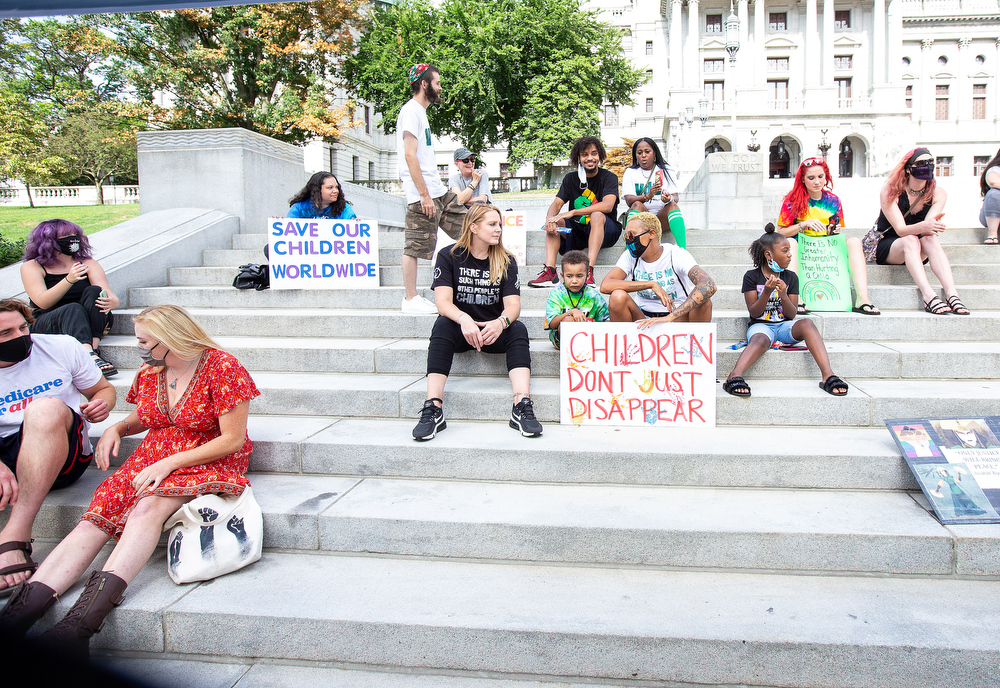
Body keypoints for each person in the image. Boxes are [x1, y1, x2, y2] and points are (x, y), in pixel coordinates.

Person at [0, 304, 259, 658]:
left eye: (145, 342)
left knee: (147, 508)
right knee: (97, 517)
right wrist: (117, 427)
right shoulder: (154, 368)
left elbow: (231, 438)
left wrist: (169, 463)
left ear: (172, 338)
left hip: (203, 454)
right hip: (154, 455)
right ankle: (15, 620)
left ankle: (78, 628)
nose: (140, 349)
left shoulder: (221, 366)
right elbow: (147, 414)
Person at [0, 298, 116, 594]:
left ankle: (16, 534)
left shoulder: (60, 347)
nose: (20, 337)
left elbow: (101, 389)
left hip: (59, 445)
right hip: (6, 451)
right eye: (5, 334)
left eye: (23, 327)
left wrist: (102, 405)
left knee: (46, 407)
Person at [412, 204, 541, 441]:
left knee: (518, 329)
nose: (498, 229)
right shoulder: (448, 255)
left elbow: (513, 306)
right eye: (492, 224)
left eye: (499, 224)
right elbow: (443, 302)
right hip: (462, 331)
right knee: (441, 324)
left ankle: (521, 405)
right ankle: (433, 408)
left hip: (492, 332)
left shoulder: (506, 260)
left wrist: (501, 323)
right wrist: (464, 319)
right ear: (473, 227)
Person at [722, 225, 848, 398]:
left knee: (807, 324)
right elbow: (754, 313)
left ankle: (828, 375)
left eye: (789, 250)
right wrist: (766, 292)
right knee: (759, 339)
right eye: (785, 250)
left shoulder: (791, 277)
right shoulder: (752, 276)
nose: (790, 254)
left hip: (784, 326)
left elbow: (791, 315)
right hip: (761, 326)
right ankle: (734, 375)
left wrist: (783, 294)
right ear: (768, 255)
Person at [397, 64, 467, 314]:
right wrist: (424, 195)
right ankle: (410, 299)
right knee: (415, 246)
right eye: (437, 83)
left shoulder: (421, 113)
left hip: (439, 192)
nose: (440, 88)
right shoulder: (410, 112)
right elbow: (409, 155)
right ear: (424, 84)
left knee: (472, 226)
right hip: (422, 196)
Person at [776, 157, 880, 315]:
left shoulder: (833, 200)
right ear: (803, 180)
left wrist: (833, 230)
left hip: (825, 248)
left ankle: (862, 298)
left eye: (820, 177)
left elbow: (835, 229)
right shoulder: (792, 200)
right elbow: (780, 232)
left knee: (854, 241)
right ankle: (795, 296)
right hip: (801, 248)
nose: (817, 181)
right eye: (811, 178)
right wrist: (803, 224)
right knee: (790, 242)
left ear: (826, 177)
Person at [874, 148, 969, 315]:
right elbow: (901, 230)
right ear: (909, 169)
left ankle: (952, 294)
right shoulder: (891, 192)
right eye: (921, 163)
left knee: (929, 239)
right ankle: (928, 295)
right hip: (891, 246)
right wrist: (924, 227)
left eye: (931, 162)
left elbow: (928, 228)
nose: (927, 166)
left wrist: (930, 227)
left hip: (918, 248)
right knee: (911, 239)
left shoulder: (938, 193)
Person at [20, 219, 119, 377]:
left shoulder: (87, 263)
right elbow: (42, 302)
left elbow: (109, 295)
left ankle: (91, 349)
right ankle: (89, 355)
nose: (73, 238)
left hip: (89, 320)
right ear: (48, 241)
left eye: (75, 234)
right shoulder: (32, 266)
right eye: (66, 235)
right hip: (48, 321)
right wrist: (69, 280)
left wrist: (112, 301)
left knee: (94, 290)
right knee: (73, 308)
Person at [528, 136, 623, 288]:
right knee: (554, 221)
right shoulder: (571, 178)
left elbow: (607, 206)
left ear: (599, 155)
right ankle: (550, 272)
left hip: (605, 230)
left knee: (597, 215)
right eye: (585, 154)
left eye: (594, 153)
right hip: (578, 232)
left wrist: (573, 212)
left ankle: (588, 272)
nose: (590, 158)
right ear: (578, 158)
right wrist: (549, 219)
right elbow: (557, 203)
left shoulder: (609, 177)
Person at [600, 212, 715, 326]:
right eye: (626, 237)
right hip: (643, 318)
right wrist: (651, 284)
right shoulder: (629, 256)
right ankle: (627, 343)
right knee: (617, 296)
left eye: (631, 235)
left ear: (651, 233)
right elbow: (606, 285)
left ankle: (693, 344)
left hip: (676, 316)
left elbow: (708, 285)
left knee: (703, 300)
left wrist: (670, 317)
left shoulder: (676, 254)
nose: (628, 241)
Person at [621, 137, 686, 249]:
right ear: (635, 155)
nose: (643, 155)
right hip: (642, 220)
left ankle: (683, 250)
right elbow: (629, 200)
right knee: (636, 204)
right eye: (639, 153)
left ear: (654, 152)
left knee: (673, 205)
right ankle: (629, 251)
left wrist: (669, 198)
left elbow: (676, 197)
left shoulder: (667, 170)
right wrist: (647, 196)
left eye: (647, 152)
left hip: (662, 219)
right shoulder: (630, 172)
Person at [544, 250, 610, 349]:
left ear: (587, 276)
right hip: (562, 340)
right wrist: (571, 312)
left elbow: (606, 322)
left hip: (590, 338)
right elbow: (552, 324)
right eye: (569, 276)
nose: (574, 281)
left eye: (579, 276)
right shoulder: (557, 294)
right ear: (562, 276)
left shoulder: (594, 296)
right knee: (568, 321)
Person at [286, 172, 357, 219]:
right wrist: (276, 222)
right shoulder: (299, 207)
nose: (335, 191)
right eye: (330, 187)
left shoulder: (344, 208)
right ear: (316, 190)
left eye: (336, 187)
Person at [978, 148, 1000, 244]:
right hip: (993, 214)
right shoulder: (995, 169)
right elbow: (993, 181)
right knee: (994, 193)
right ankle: (992, 234)